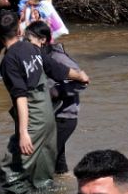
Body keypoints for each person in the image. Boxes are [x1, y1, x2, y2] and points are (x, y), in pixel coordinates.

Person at [0, 11, 58, 194]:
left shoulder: (10, 60)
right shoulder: (31, 48)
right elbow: (54, 68)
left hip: (33, 119)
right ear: (19, 30)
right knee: (42, 174)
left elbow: (20, 97)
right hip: (47, 115)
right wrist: (79, 74)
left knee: (10, 175)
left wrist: (23, 132)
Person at [30, 19, 90, 174]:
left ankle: (45, 191)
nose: (26, 44)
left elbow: (83, 82)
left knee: (45, 156)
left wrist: (57, 92)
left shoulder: (59, 58)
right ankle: (63, 189)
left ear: (43, 40)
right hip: (51, 115)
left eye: (29, 40)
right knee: (58, 160)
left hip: (65, 116)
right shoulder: (38, 56)